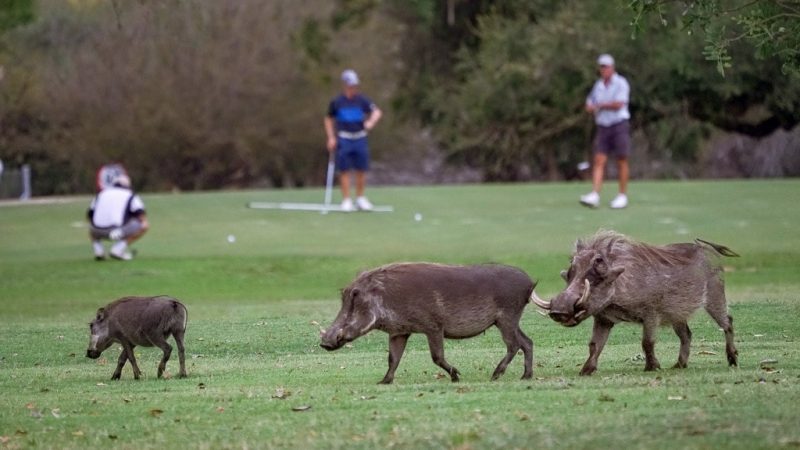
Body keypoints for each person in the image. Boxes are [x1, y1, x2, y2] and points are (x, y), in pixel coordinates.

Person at [324, 69, 382, 212]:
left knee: (361, 169)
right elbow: (328, 119)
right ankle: (346, 200)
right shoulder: (337, 102)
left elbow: (377, 111)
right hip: (344, 138)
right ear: (345, 85)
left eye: (355, 85)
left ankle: (360, 198)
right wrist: (331, 137)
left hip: (360, 137)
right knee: (344, 170)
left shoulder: (362, 100)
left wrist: (371, 123)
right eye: (350, 85)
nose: (353, 88)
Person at [580, 53, 631, 209]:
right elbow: (590, 102)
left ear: (612, 67)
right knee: (599, 160)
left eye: (606, 67)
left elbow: (619, 104)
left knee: (621, 159)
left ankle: (622, 195)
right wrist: (592, 106)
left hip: (619, 124)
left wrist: (600, 105)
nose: (603, 70)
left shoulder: (621, 83)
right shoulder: (599, 85)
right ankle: (595, 194)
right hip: (603, 126)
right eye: (601, 67)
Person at [87, 174, 148, 261]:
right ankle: (118, 249)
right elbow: (140, 213)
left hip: (96, 232)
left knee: (91, 224)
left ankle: (98, 251)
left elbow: (90, 214)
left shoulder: (101, 194)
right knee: (143, 225)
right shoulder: (130, 194)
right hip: (116, 233)